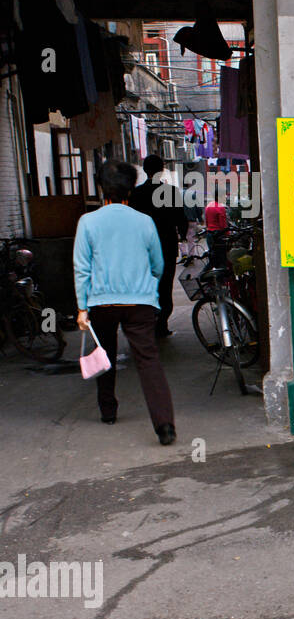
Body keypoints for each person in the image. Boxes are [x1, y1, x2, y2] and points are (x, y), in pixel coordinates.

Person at [74, 160, 176, 445]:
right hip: (140, 303)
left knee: (104, 354)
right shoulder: (144, 222)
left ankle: (108, 411)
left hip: (101, 303)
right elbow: (158, 265)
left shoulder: (87, 222)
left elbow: (81, 268)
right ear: (130, 189)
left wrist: (83, 307)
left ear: (102, 188)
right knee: (148, 360)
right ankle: (165, 425)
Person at [129, 155, 189, 337]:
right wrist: (183, 235)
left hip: (143, 247)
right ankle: (161, 324)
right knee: (165, 286)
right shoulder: (170, 192)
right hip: (166, 245)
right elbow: (181, 219)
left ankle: (147, 323)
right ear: (162, 170)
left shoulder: (136, 194)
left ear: (145, 170)